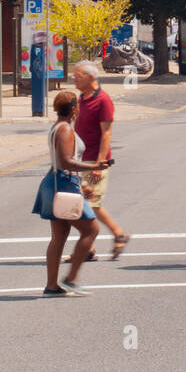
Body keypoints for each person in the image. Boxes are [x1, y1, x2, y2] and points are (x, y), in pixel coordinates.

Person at [31, 90, 107, 296]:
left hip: (57, 182)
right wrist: (93, 167)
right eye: (78, 105)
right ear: (73, 108)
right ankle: (71, 279)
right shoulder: (65, 130)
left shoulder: (58, 127)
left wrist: (82, 184)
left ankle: (52, 286)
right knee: (91, 230)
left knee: (59, 236)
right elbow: (66, 161)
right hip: (63, 183)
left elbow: (64, 162)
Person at [72, 61, 130, 260]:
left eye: (78, 76)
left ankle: (118, 233)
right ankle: (88, 248)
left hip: (96, 160)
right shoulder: (82, 98)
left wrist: (99, 164)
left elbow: (106, 134)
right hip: (81, 159)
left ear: (90, 77)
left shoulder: (103, 100)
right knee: (85, 204)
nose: (74, 79)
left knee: (92, 204)